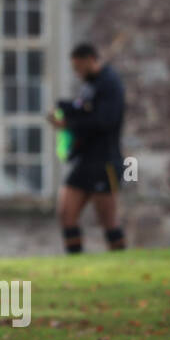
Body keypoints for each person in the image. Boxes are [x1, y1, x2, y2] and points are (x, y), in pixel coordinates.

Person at [47, 42, 126, 253]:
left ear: (90, 60)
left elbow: (104, 121)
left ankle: (122, 262)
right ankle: (76, 263)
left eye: (78, 67)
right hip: (84, 159)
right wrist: (63, 109)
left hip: (104, 161)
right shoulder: (89, 85)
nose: (77, 72)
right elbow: (82, 109)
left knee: (108, 220)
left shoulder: (110, 84)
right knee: (66, 212)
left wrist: (69, 124)